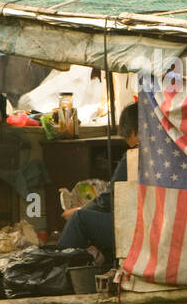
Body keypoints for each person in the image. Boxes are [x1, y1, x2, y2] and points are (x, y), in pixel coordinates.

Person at [57, 103, 139, 257]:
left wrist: (80, 209)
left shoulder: (134, 156)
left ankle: (56, 270)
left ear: (134, 131)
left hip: (138, 229)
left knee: (78, 219)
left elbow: (108, 200)